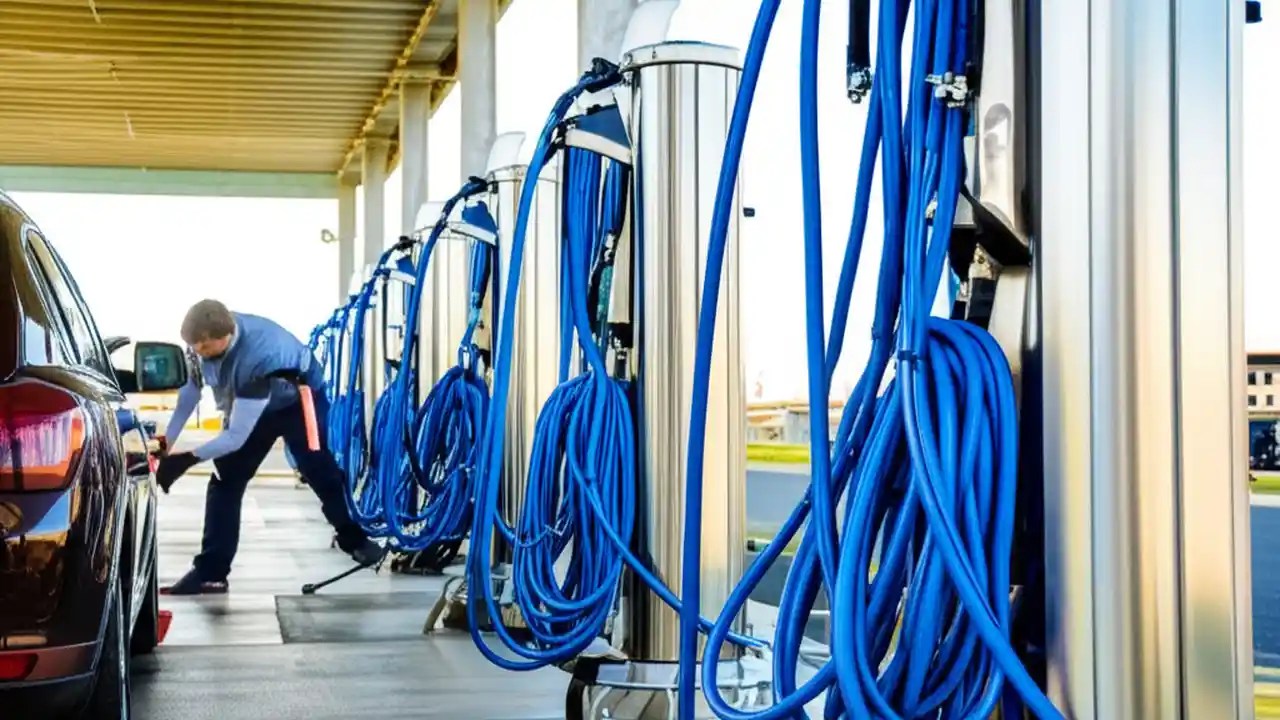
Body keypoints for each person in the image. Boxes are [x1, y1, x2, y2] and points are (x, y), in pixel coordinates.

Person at [155, 299, 383, 595]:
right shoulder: (200, 342)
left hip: (298, 400)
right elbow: (190, 395)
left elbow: (236, 437)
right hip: (252, 404)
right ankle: (210, 573)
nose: (200, 353)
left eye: (205, 348)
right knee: (226, 479)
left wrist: (187, 459)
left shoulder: (261, 355)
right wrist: (166, 444)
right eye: (194, 348)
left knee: (318, 470)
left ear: (226, 336)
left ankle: (355, 540)